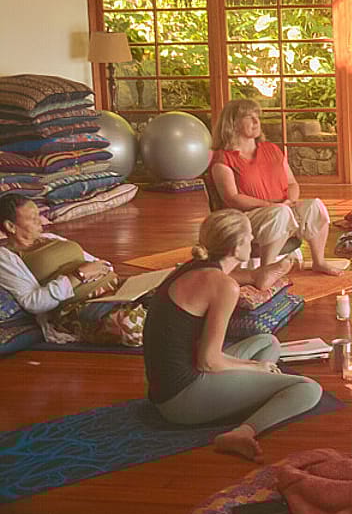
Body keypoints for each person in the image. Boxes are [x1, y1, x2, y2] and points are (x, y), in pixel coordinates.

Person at [142, 209, 323, 461]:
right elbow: (209, 361)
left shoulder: (194, 268)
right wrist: (255, 368)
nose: (254, 241)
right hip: (181, 399)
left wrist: (254, 366)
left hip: (167, 387)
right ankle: (242, 433)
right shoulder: (223, 285)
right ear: (237, 247)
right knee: (308, 389)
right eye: (250, 237)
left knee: (267, 342)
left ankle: (247, 394)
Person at [209, 98, 340, 288]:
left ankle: (318, 261)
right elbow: (232, 198)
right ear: (232, 123)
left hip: (282, 208)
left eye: (257, 117)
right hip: (246, 217)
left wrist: (291, 201)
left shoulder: (272, 149)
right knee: (280, 213)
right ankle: (265, 270)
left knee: (315, 205)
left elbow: (292, 183)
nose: (256, 121)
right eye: (249, 117)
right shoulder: (223, 158)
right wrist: (272, 205)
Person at [0, 193, 144, 346]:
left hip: (117, 290)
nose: (41, 220)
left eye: (39, 214)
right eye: (32, 218)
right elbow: (34, 303)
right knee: (132, 327)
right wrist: (79, 276)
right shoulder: (5, 257)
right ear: (10, 226)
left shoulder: (51, 237)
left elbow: (99, 263)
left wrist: (102, 270)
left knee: (167, 290)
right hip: (77, 307)